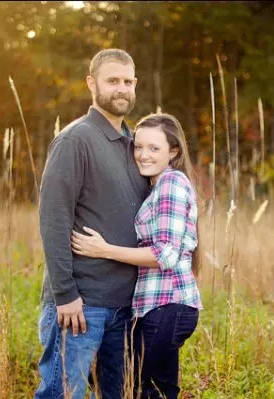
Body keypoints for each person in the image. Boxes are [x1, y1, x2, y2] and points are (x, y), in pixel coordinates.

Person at [35, 48, 148, 399]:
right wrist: (65, 294)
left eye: (128, 81)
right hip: (81, 305)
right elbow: (53, 220)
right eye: (112, 80)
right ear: (91, 83)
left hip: (124, 306)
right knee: (62, 394)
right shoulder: (75, 140)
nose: (122, 89)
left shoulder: (135, 145)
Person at [71, 112, 203, 399]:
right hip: (158, 307)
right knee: (157, 390)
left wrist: (104, 250)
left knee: (127, 383)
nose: (143, 155)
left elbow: (164, 256)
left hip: (167, 306)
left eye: (154, 148)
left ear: (174, 151)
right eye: (138, 146)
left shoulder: (171, 184)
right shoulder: (155, 187)